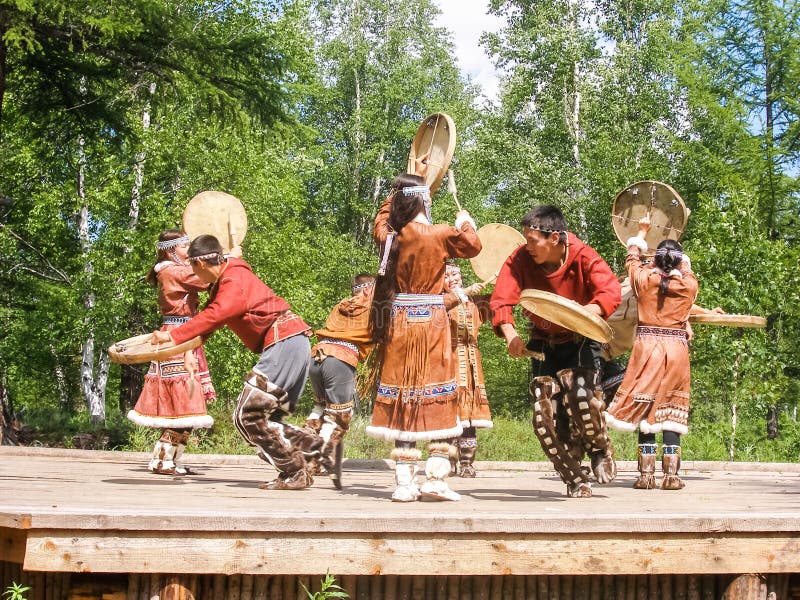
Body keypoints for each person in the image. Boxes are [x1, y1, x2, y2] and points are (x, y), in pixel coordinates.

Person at [150, 234, 322, 490]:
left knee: (248, 415)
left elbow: (215, 314)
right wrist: (188, 349)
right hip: (291, 343)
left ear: (200, 265)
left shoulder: (232, 281)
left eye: (192, 269)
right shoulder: (228, 279)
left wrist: (172, 335)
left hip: (284, 344)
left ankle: (295, 470)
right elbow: (210, 322)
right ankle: (307, 452)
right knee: (268, 420)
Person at [367, 157, 482, 502]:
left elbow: (382, 218)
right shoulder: (442, 232)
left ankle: (404, 482)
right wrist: (467, 223)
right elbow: (473, 246)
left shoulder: (390, 237)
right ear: (425, 201)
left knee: (404, 396)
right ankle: (435, 477)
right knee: (438, 394)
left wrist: (407, 180)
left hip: (400, 321)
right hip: (432, 322)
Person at [490, 205, 621, 498]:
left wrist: (584, 313)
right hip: (542, 343)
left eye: (532, 239)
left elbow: (610, 291)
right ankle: (574, 476)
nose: (528, 246)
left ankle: (600, 449)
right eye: (525, 239)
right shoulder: (521, 258)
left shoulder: (584, 255)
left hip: (581, 339)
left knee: (582, 399)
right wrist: (510, 334)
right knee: (544, 416)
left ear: (554, 238)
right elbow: (501, 299)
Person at [604, 216, 698, 490]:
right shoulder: (689, 286)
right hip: (676, 350)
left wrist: (642, 231)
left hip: (648, 348)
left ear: (655, 261)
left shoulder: (643, 281)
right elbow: (686, 270)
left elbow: (632, 258)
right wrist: (677, 258)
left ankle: (646, 476)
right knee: (671, 411)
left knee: (646, 409)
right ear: (680, 262)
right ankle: (672, 476)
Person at [128, 230, 216, 476]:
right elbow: (208, 279)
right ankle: (161, 460)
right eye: (185, 245)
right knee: (182, 401)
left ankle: (171, 459)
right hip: (178, 335)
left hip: (183, 333)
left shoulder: (175, 270)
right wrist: (225, 259)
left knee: (186, 402)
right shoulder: (173, 271)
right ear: (170, 249)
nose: (188, 250)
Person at [302, 273, 377, 489]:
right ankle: (316, 460)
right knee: (339, 416)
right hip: (340, 360)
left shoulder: (341, 305)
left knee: (320, 408)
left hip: (317, 357)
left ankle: (303, 449)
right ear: (368, 289)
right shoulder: (373, 308)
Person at [442, 262, 492, 477]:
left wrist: (497, 274)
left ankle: (467, 462)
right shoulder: (438, 300)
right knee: (446, 413)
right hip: (447, 360)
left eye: (457, 274)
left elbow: (503, 299)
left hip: (471, 362)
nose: (454, 279)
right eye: (448, 276)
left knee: (469, 413)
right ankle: (447, 461)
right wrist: (462, 294)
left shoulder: (475, 302)